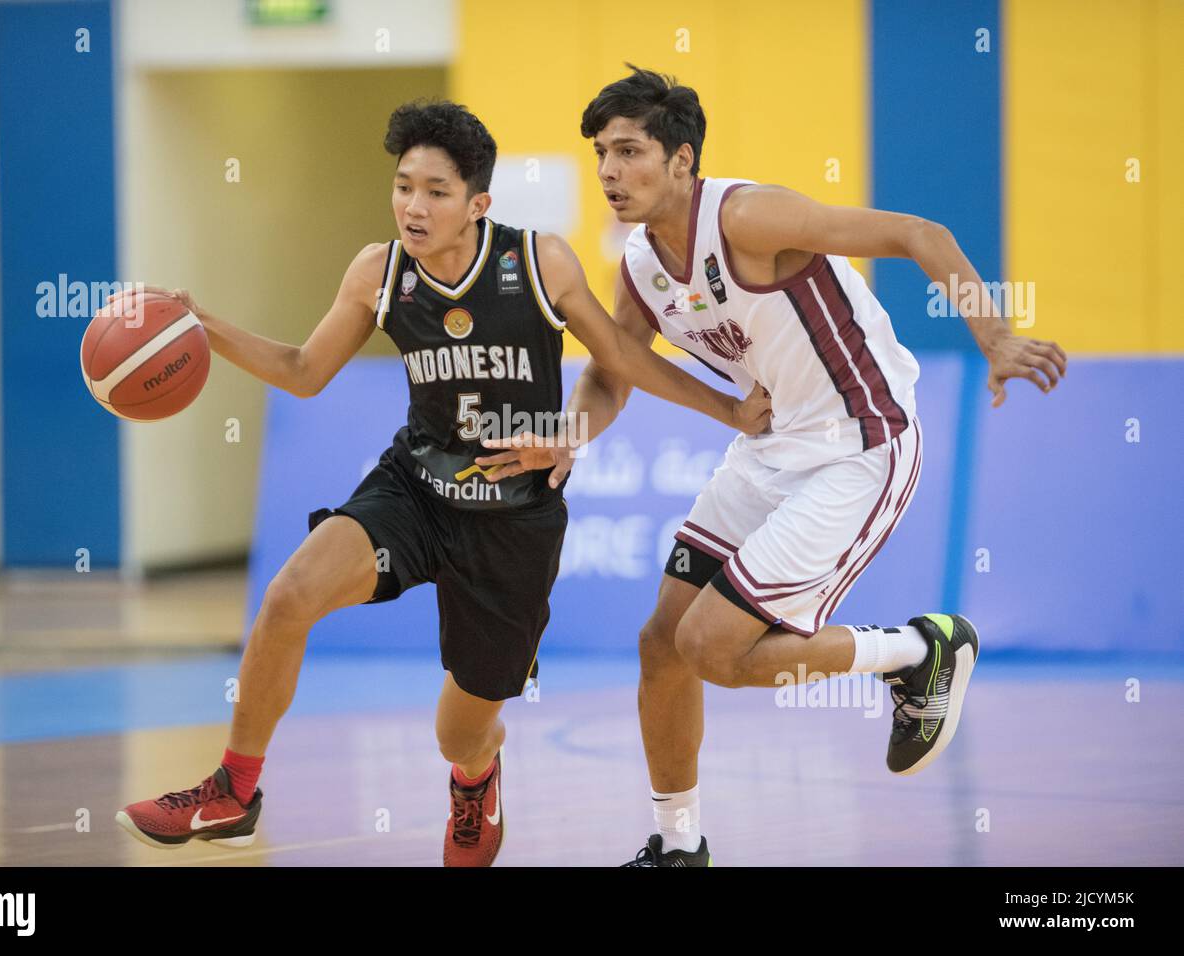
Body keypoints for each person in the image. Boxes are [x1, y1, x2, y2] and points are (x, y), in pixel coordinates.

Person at [113, 99, 767, 867]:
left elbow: (620, 360)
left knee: (457, 731)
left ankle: (475, 777)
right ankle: (233, 791)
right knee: (290, 595)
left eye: (435, 192)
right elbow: (302, 371)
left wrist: (726, 407)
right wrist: (204, 327)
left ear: (477, 203)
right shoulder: (378, 271)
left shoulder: (538, 261)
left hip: (514, 522)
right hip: (416, 489)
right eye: (402, 187)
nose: (413, 207)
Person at [480, 66, 1067, 867]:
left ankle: (916, 650)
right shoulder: (643, 265)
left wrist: (996, 338)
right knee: (661, 642)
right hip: (767, 447)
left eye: (629, 151)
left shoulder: (751, 217)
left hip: (860, 444)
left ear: (682, 160)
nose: (610, 172)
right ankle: (679, 845)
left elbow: (917, 234)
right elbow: (612, 372)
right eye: (600, 155)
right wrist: (565, 434)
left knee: (713, 650)